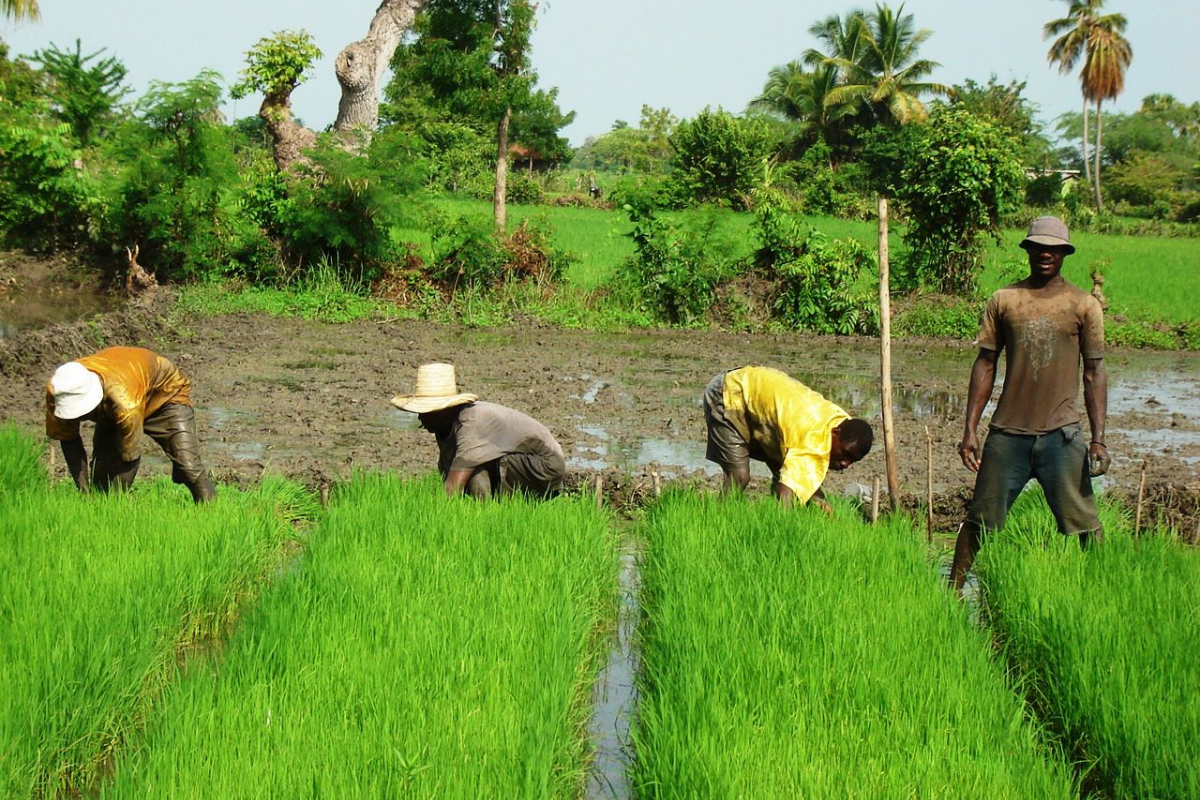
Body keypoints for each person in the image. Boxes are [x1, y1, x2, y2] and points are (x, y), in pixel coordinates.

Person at [949, 216, 1108, 591]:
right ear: (1028, 250)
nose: (1045, 254)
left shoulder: (1084, 305)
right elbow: (986, 363)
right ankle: (952, 591)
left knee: (1085, 523)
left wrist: (1099, 438)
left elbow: (1094, 373)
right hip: (1008, 435)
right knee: (980, 519)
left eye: (1053, 248)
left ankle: (1104, 589)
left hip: (1062, 436)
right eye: (1038, 247)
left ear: (1064, 253)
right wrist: (970, 428)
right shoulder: (1005, 300)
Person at [45, 346, 217, 502]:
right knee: (102, 470)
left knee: (188, 465)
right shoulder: (59, 389)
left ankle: (210, 511)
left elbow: (131, 457)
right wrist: (85, 494)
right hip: (114, 401)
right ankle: (99, 508)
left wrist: (116, 504)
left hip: (165, 395)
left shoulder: (124, 401)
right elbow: (69, 441)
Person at [702, 365, 874, 513]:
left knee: (784, 465)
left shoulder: (840, 422)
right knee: (739, 476)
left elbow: (803, 470)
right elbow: (785, 493)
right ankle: (714, 521)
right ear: (835, 433)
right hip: (729, 393)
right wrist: (784, 526)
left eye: (853, 461)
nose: (845, 464)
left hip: (762, 402)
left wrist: (820, 503)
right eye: (845, 454)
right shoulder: (811, 435)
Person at [392, 362, 566, 499]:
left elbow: (453, 487)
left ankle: (483, 513)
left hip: (543, 465)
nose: (420, 418)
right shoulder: (444, 425)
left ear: (442, 411)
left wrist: (436, 513)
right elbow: (448, 470)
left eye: (425, 413)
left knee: (473, 465)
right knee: (472, 463)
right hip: (517, 460)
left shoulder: (471, 422)